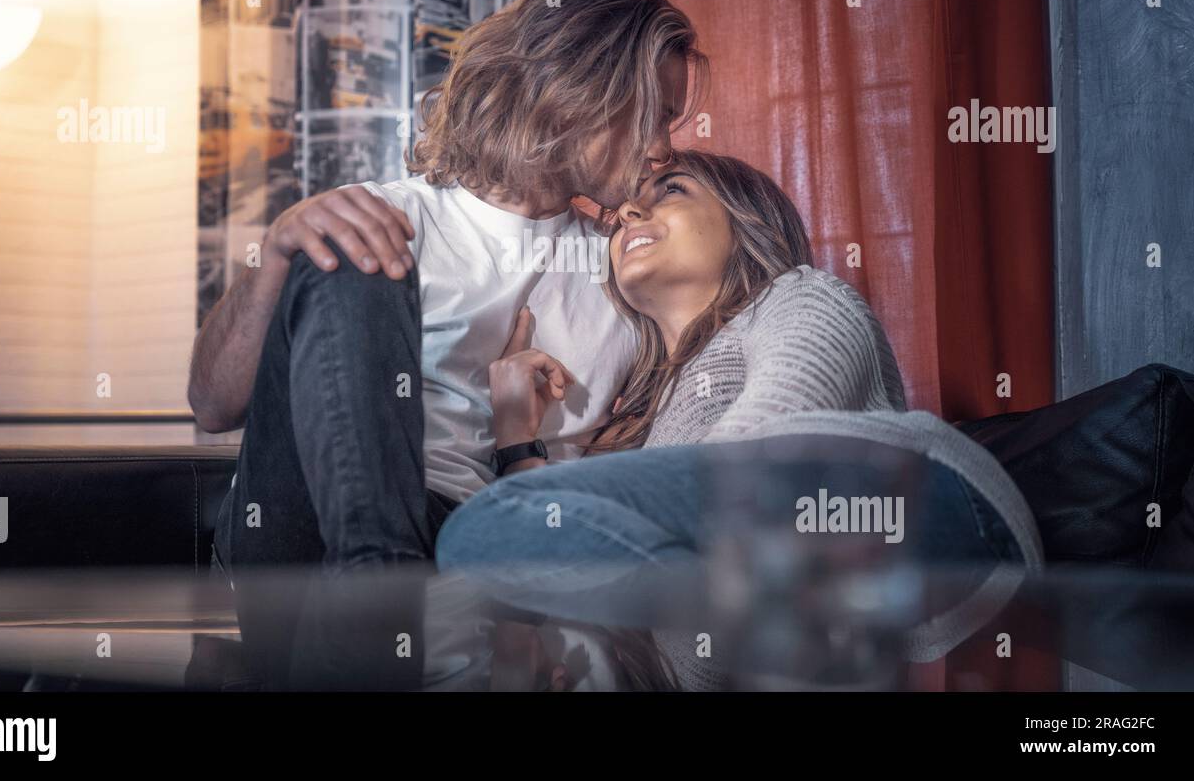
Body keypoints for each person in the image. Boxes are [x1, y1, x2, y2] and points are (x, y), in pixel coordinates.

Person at [191, 0, 709, 688]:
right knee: (354, 241)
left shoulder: (629, 267)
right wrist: (278, 251)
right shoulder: (386, 213)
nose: (664, 148)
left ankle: (385, 609)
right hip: (306, 546)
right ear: (575, 92)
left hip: (485, 553)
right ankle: (382, 592)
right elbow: (212, 406)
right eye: (654, 115)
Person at [436, 150, 1043, 689]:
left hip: (893, 509)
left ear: (747, 220)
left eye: (670, 191)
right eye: (625, 210)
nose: (627, 216)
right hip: (723, 642)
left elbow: (782, 436)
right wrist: (517, 436)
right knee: (487, 545)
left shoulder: (795, 296)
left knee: (483, 535)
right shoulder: (639, 419)